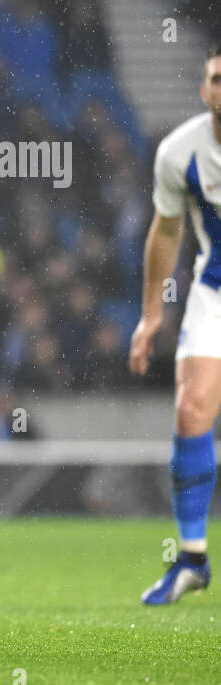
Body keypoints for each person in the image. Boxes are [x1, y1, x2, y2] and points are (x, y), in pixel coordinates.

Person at [128, 42, 221, 604]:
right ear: (205, 90)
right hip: (216, 291)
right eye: (216, 79)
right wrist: (150, 316)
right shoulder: (178, 153)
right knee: (191, 410)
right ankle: (191, 559)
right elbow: (166, 233)